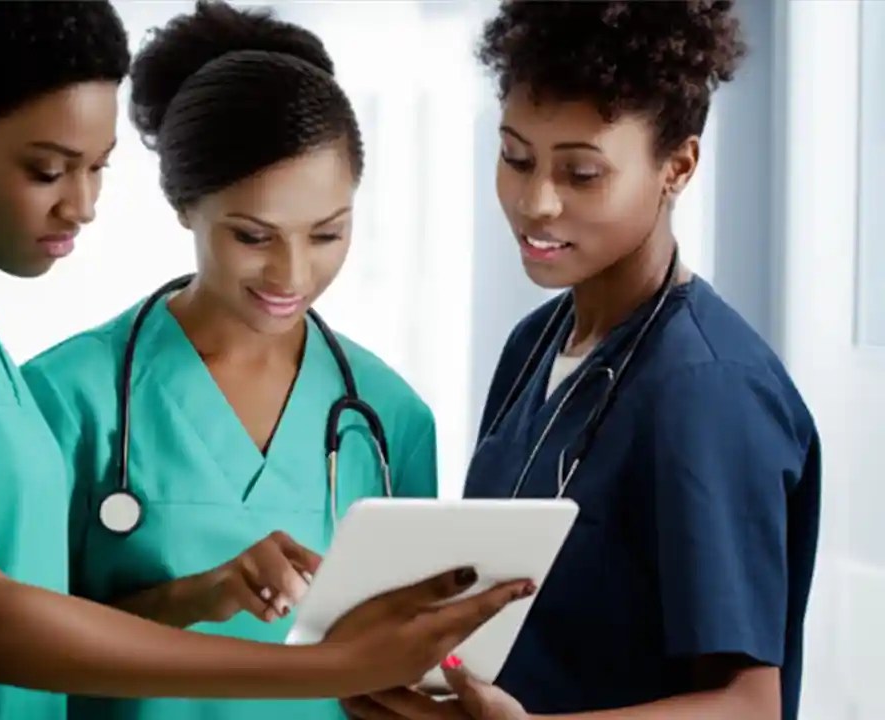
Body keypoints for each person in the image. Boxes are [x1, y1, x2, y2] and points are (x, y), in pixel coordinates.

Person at [0, 3, 536, 720]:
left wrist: (202, 596)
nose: (85, 205)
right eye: (47, 170)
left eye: (99, 166)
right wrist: (322, 669)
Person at [340, 2, 821, 720]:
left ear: (678, 167)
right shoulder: (534, 345)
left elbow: (747, 706)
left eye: (583, 173)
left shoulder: (706, 390)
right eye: (515, 157)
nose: (535, 202)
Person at [17, 2, 443, 719]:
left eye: (328, 234)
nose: (292, 275)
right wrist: (197, 597)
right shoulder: (66, 401)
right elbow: (12, 656)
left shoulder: (391, 420)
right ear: (186, 205)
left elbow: (408, 669)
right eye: (253, 236)